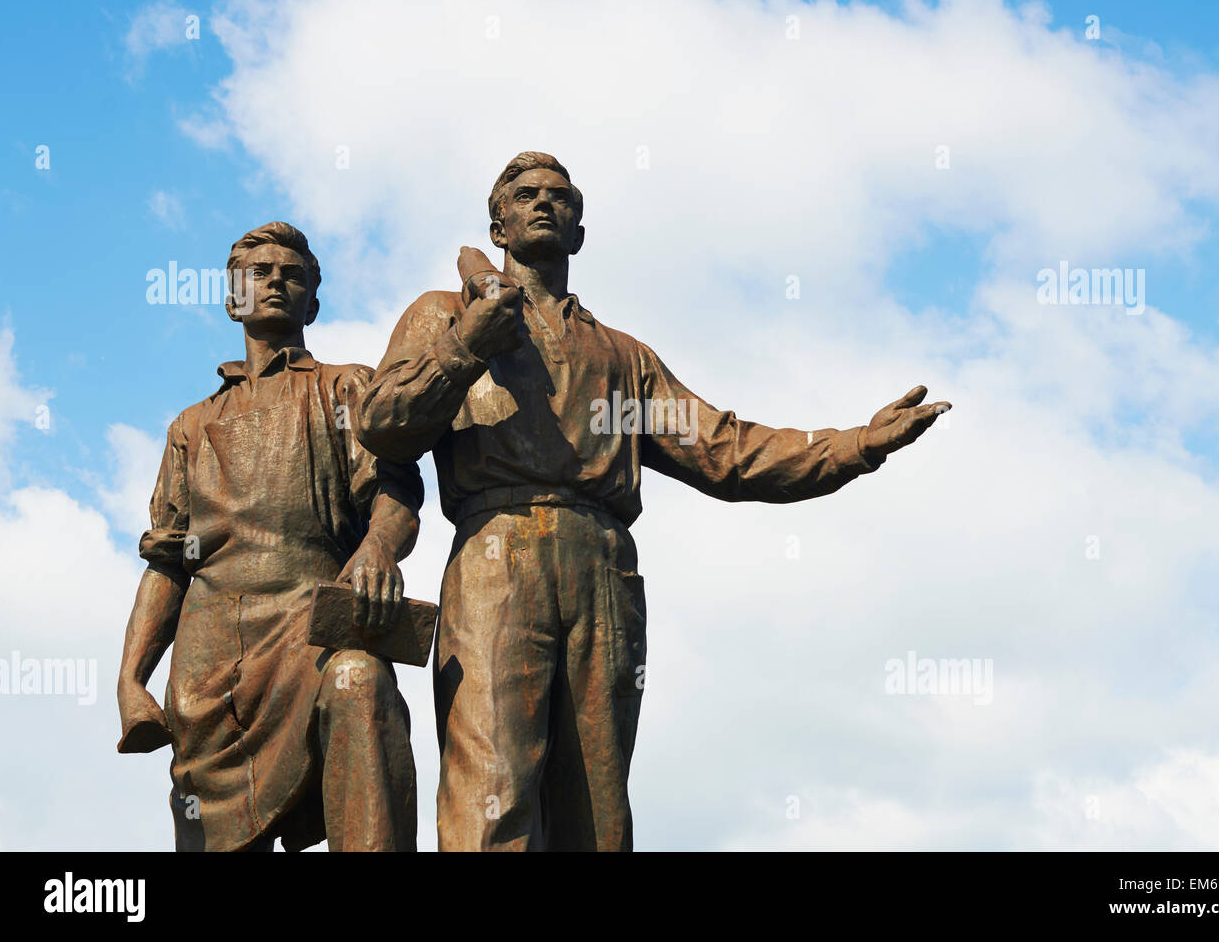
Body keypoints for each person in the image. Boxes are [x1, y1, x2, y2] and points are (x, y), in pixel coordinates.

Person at [358, 153, 951, 851]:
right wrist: (467, 345)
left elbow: (727, 450)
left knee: (598, 813)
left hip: (603, 569)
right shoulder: (443, 313)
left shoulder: (621, 355)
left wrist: (853, 445)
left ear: (579, 232)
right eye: (525, 195)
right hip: (496, 556)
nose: (544, 204)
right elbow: (383, 423)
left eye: (560, 196)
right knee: (491, 791)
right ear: (498, 223)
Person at [117, 222, 423, 851]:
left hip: (312, 628)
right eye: (260, 272)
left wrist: (377, 548)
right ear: (233, 298)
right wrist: (130, 679)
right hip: (211, 664)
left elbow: (395, 491)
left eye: (293, 273)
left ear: (313, 300)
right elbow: (168, 563)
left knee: (360, 683)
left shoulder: (345, 388)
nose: (277, 280)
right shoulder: (192, 426)